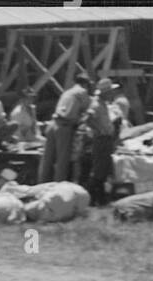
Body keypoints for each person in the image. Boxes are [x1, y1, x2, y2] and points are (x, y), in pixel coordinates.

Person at [39, 74, 91, 183]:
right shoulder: (82, 92)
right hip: (64, 126)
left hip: (53, 124)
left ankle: (41, 184)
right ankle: (59, 188)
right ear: (86, 84)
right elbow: (88, 108)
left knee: (47, 159)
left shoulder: (67, 92)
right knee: (62, 161)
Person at [82, 78, 122, 206]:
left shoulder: (103, 103)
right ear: (105, 92)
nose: (112, 94)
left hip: (106, 139)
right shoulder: (96, 104)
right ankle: (90, 198)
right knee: (99, 170)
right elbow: (87, 118)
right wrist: (98, 129)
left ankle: (99, 199)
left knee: (103, 170)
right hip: (101, 140)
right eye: (110, 91)